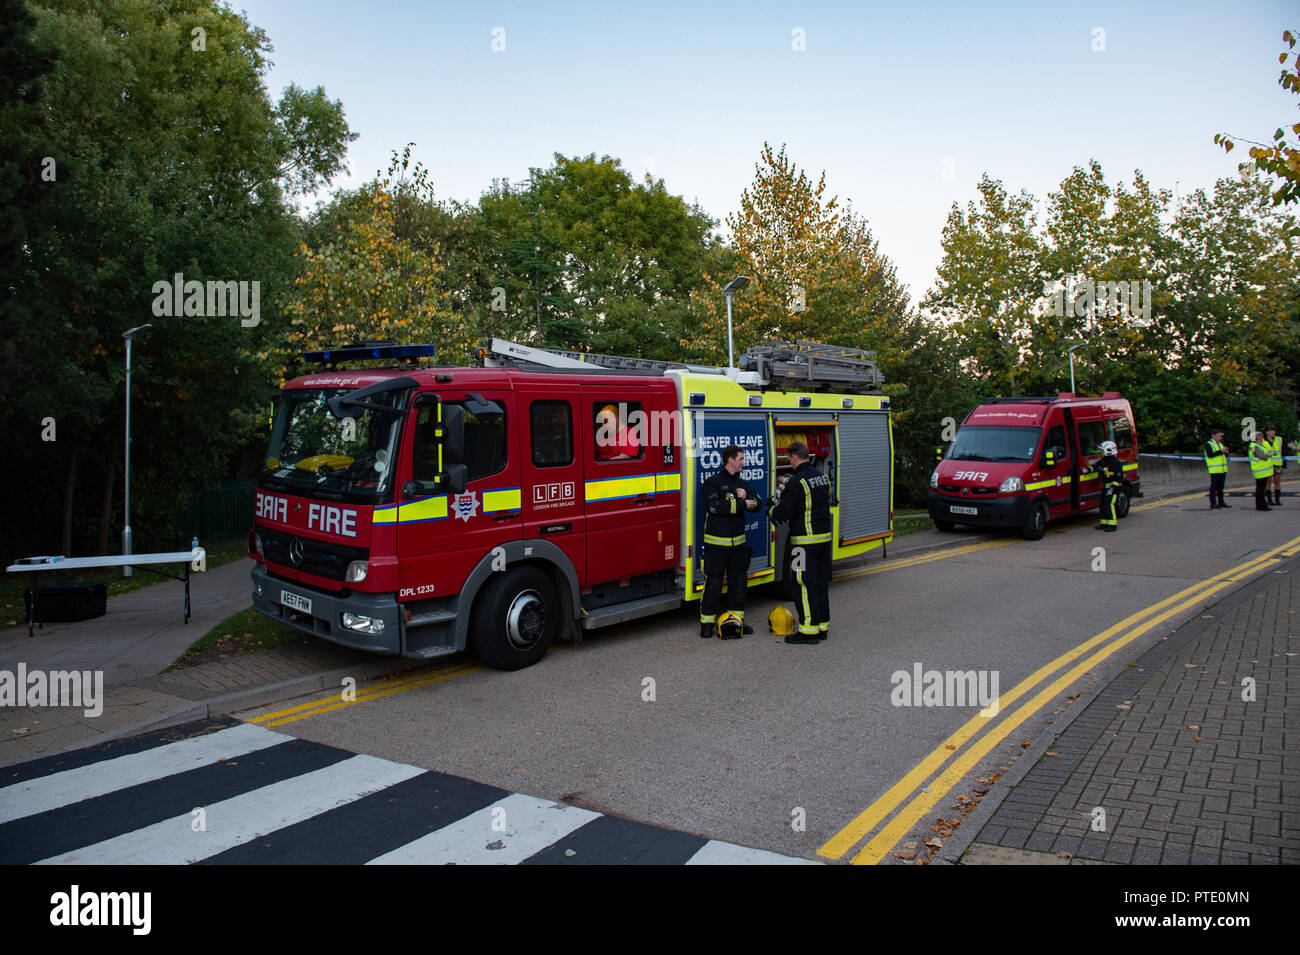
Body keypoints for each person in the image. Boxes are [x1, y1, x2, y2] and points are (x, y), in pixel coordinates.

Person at [767, 440, 831, 644]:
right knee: (820, 583)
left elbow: (783, 513)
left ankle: (807, 632)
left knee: (801, 583)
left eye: (790, 459)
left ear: (794, 457)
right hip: (823, 542)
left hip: (802, 544)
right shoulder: (822, 478)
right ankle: (822, 627)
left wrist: (770, 508)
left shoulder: (797, 482)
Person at [699, 444, 759, 639]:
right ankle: (707, 625)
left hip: (738, 547)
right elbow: (714, 506)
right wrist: (742, 503)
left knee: (738, 585)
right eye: (741, 459)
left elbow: (756, 502)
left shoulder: (742, 483)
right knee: (713, 585)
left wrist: (747, 497)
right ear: (730, 460)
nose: (744, 462)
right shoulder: (712, 482)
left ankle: (736, 622)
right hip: (716, 546)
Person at [1093, 440, 1125, 532]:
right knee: (1102, 505)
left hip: (1113, 487)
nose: (1101, 453)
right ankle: (1104, 523)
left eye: (1102, 451)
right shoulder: (1104, 460)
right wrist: (1087, 469)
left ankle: (1112, 525)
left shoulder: (1115, 462)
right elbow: (1096, 466)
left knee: (1109, 505)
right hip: (1106, 487)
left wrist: (1113, 487)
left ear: (1108, 450)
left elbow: (1119, 477)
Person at [1264, 425, 1296, 507]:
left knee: (1277, 482)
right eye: (1271, 430)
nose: (1273, 432)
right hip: (1268, 464)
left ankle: (1277, 500)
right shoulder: (1264, 441)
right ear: (1267, 432)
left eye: (1274, 430)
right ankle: (1269, 500)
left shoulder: (1279, 439)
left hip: (1277, 463)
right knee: (1268, 482)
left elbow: (1282, 450)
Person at [1203, 428, 1229, 509]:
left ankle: (1221, 502)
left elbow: (1223, 455)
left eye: (1221, 436)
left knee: (1221, 487)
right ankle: (1213, 503)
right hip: (1214, 469)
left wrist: (1226, 452)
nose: (1220, 438)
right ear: (1213, 436)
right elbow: (1210, 455)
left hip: (1222, 469)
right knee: (1214, 487)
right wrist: (1221, 451)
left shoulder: (1220, 444)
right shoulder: (1208, 444)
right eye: (1218, 436)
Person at [1249, 431, 1274, 511]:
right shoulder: (1254, 445)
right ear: (1257, 437)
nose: (1262, 436)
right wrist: (1268, 455)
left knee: (1260, 489)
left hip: (1263, 471)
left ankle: (1259, 505)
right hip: (1259, 471)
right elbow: (1262, 456)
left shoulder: (1262, 444)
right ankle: (1262, 506)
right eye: (1260, 435)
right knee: (1260, 489)